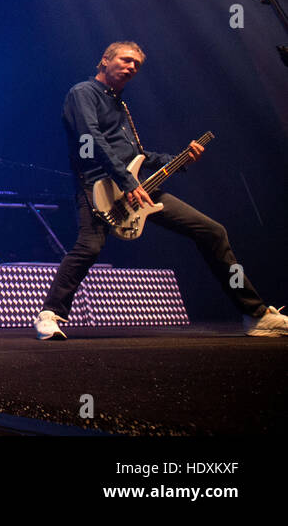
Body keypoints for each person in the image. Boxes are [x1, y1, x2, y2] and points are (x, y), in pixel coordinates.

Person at [35, 40, 286, 340]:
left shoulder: (120, 104)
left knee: (212, 231)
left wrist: (177, 160)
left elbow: (137, 155)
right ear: (104, 60)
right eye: (126, 60)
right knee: (89, 247)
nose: (132, 67)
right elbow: (91, 139)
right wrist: (127, 183)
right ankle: (50, 314)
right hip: (98, 185)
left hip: (136, 187)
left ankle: (255, 315)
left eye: (137, 65)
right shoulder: (82, 93)